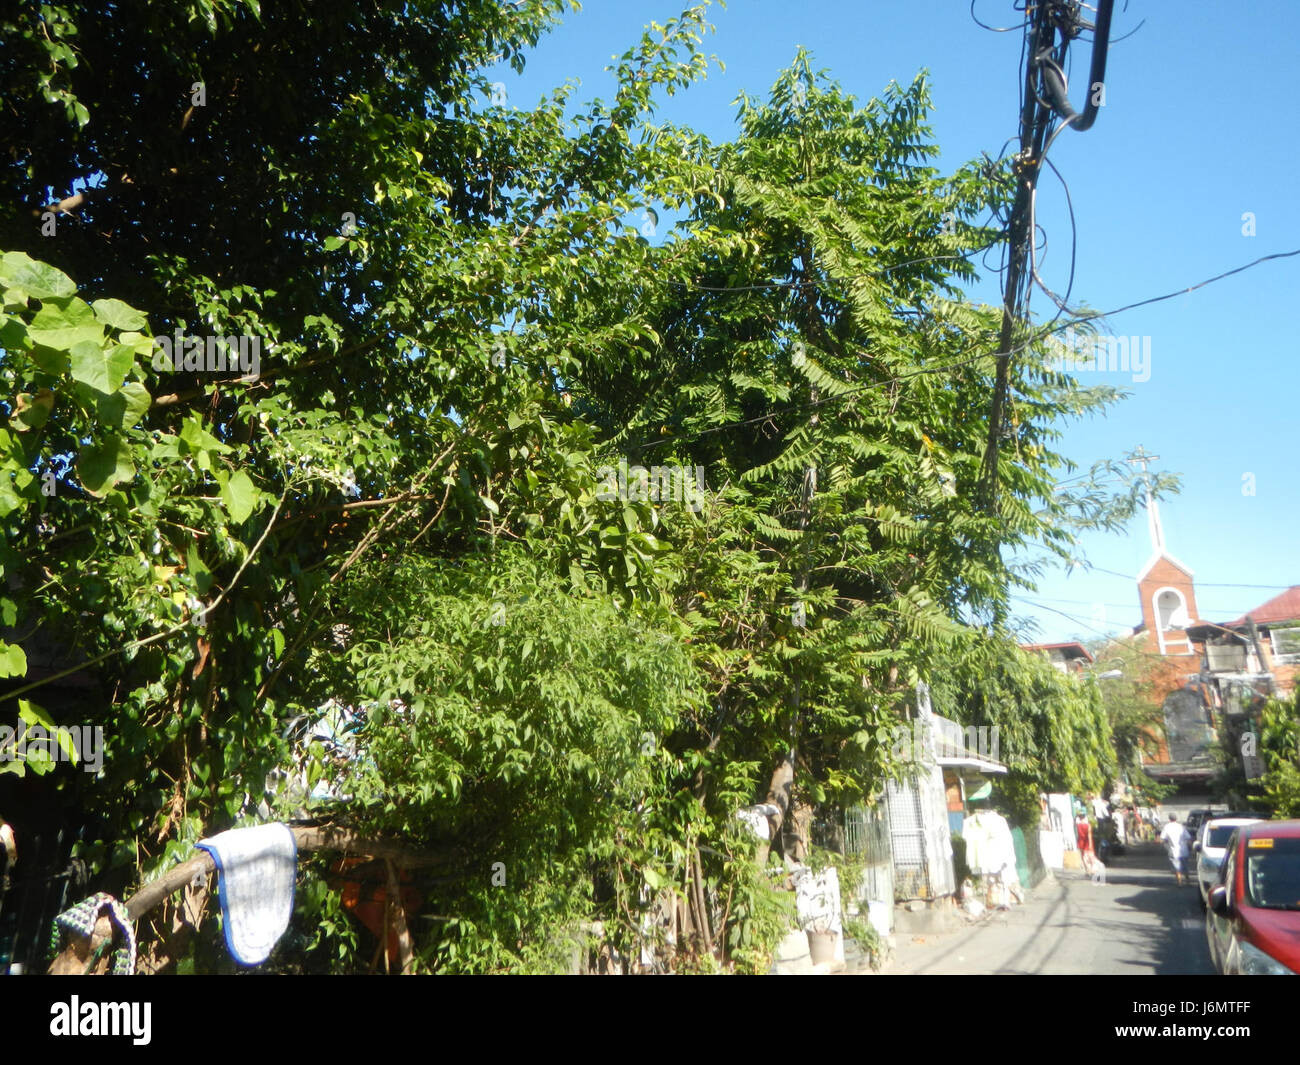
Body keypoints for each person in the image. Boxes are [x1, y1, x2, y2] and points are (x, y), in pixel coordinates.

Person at [1159, 814, 1188, 885]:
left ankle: (1180, 882)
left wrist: (1164, 845)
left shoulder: (1167, 827)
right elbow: (1188, 837)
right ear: (1176, 819)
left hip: (1173, 851)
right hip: (1184, 850)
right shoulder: (1181, 826)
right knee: (1185, 866)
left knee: (1177, 867)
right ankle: (1188, 880)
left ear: (1169, 819)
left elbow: (1162, 839)